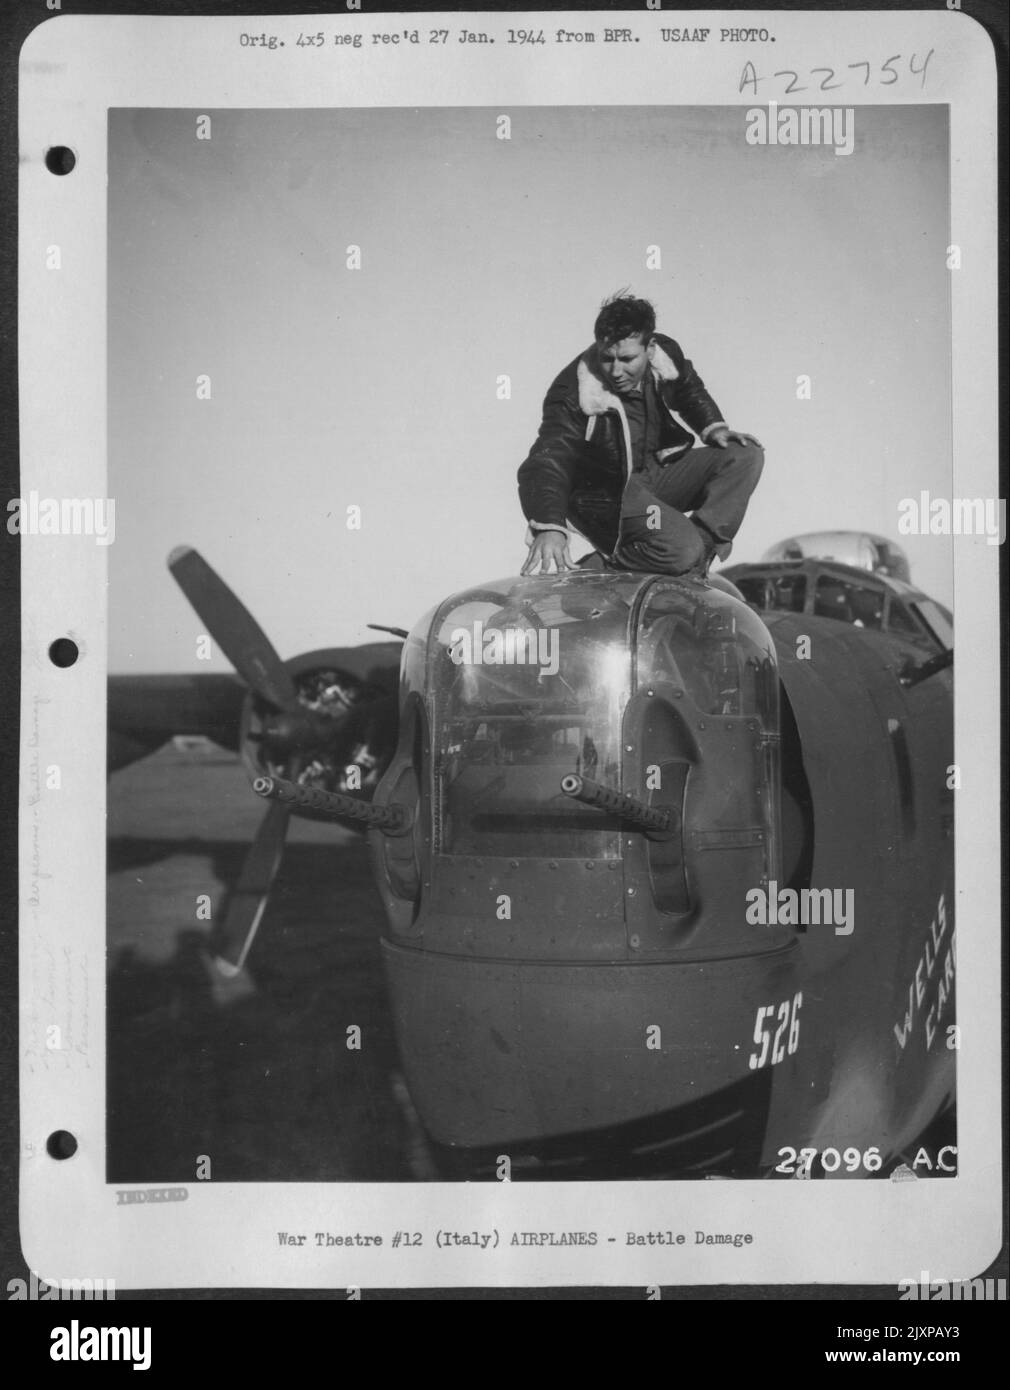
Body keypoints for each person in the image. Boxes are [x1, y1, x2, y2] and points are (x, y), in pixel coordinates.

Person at [518, 293, 764, 577]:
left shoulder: (665, 354)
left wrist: (714, 427)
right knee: (681, 550)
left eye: (627, 359)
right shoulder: (572, 392)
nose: (616, 371)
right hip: (608, 495)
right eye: (606, 358)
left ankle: (699, 556)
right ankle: (591, 572)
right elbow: (548, 459)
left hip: (655, 474)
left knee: (744, 455)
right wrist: (549, 525)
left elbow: (688, 388)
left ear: (650, 348)